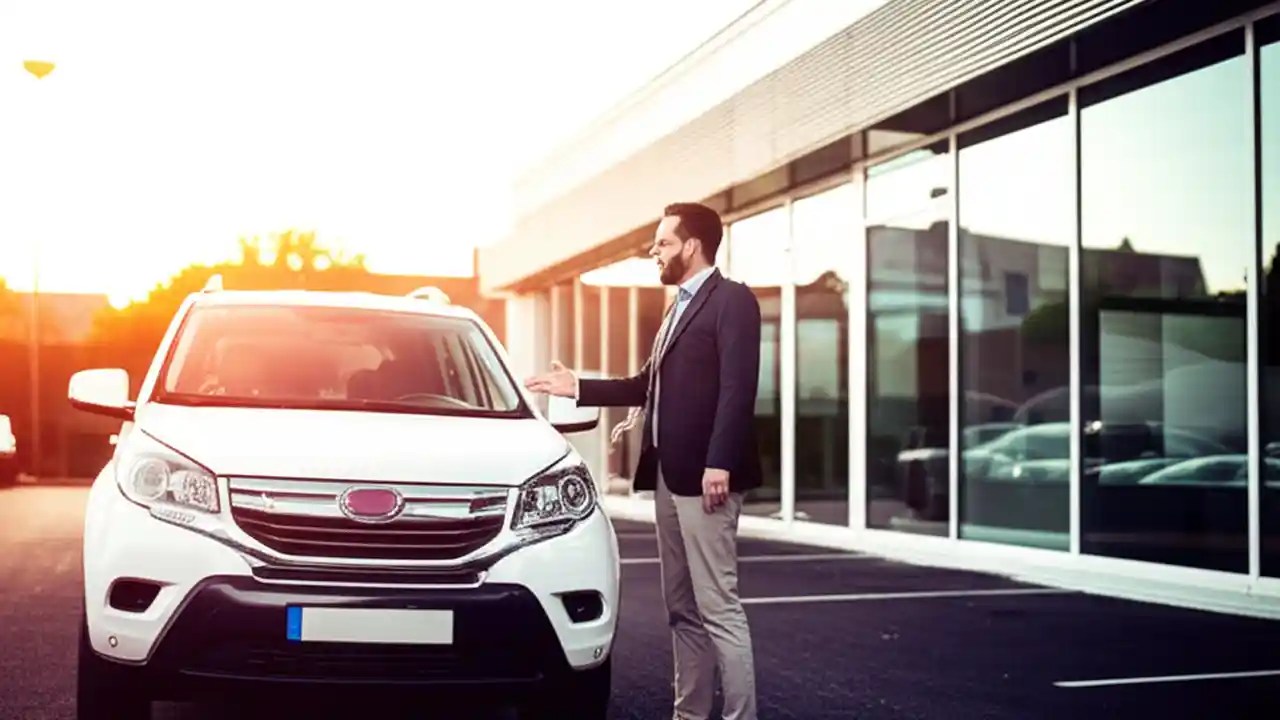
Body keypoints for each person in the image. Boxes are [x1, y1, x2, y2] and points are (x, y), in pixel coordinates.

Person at [525, 202, 762, 720]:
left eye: (664, 242)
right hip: (669, 478)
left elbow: (738, 388)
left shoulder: (732, 300)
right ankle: (688, 715)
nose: (655, 251)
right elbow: (642, 385)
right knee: (682, 610)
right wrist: (577, 386)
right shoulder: (676, 309)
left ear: (692, 246)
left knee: (718, 607)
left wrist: (720, 463)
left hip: (707, 478)